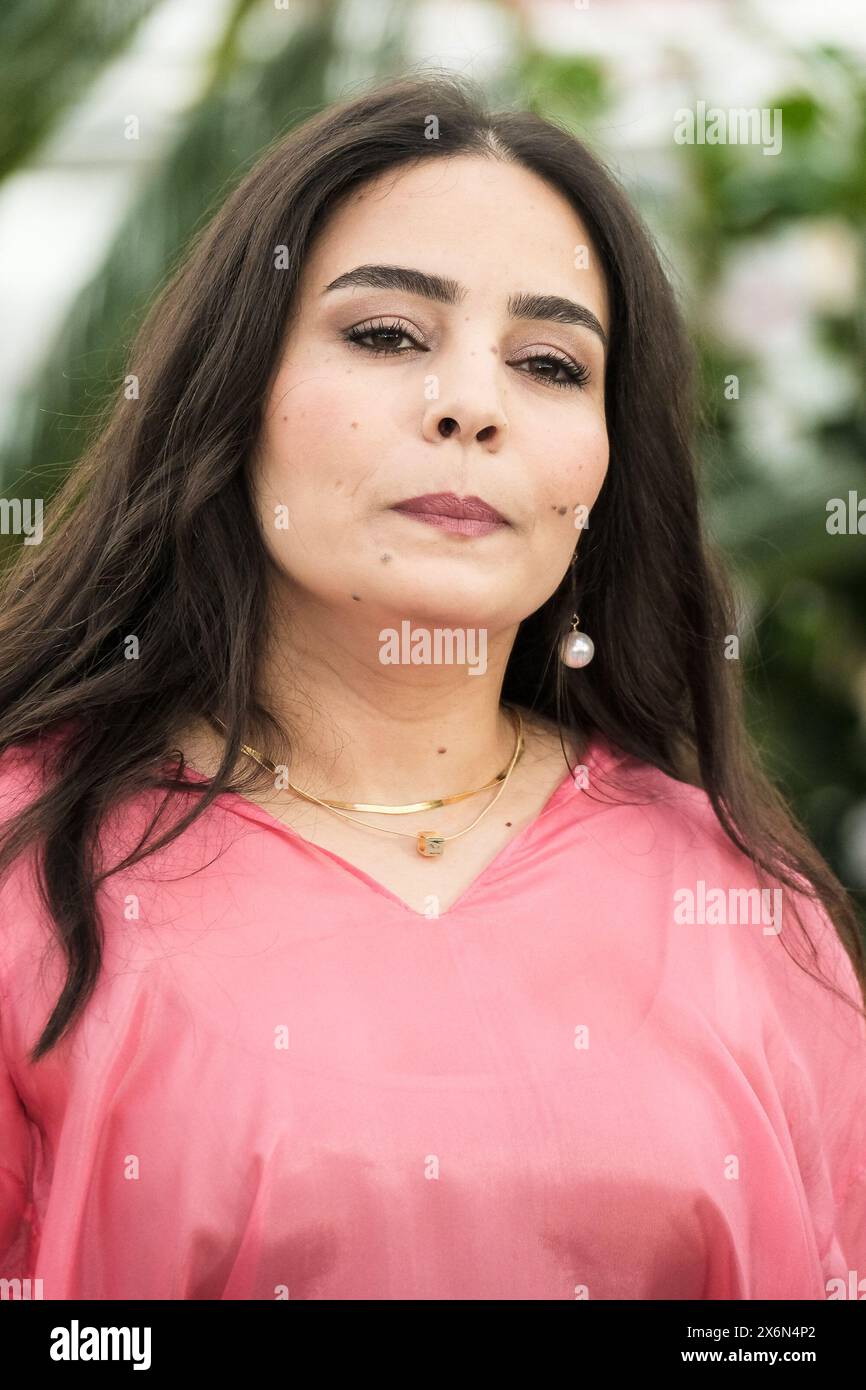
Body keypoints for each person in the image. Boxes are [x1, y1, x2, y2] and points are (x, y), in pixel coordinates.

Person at [0, 73, 864, 1301]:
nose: (469, 405)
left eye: (551, 364)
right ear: (236, 395)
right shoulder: (31, 864)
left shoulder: (736, 906)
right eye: (387, 335)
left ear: (606, 471)